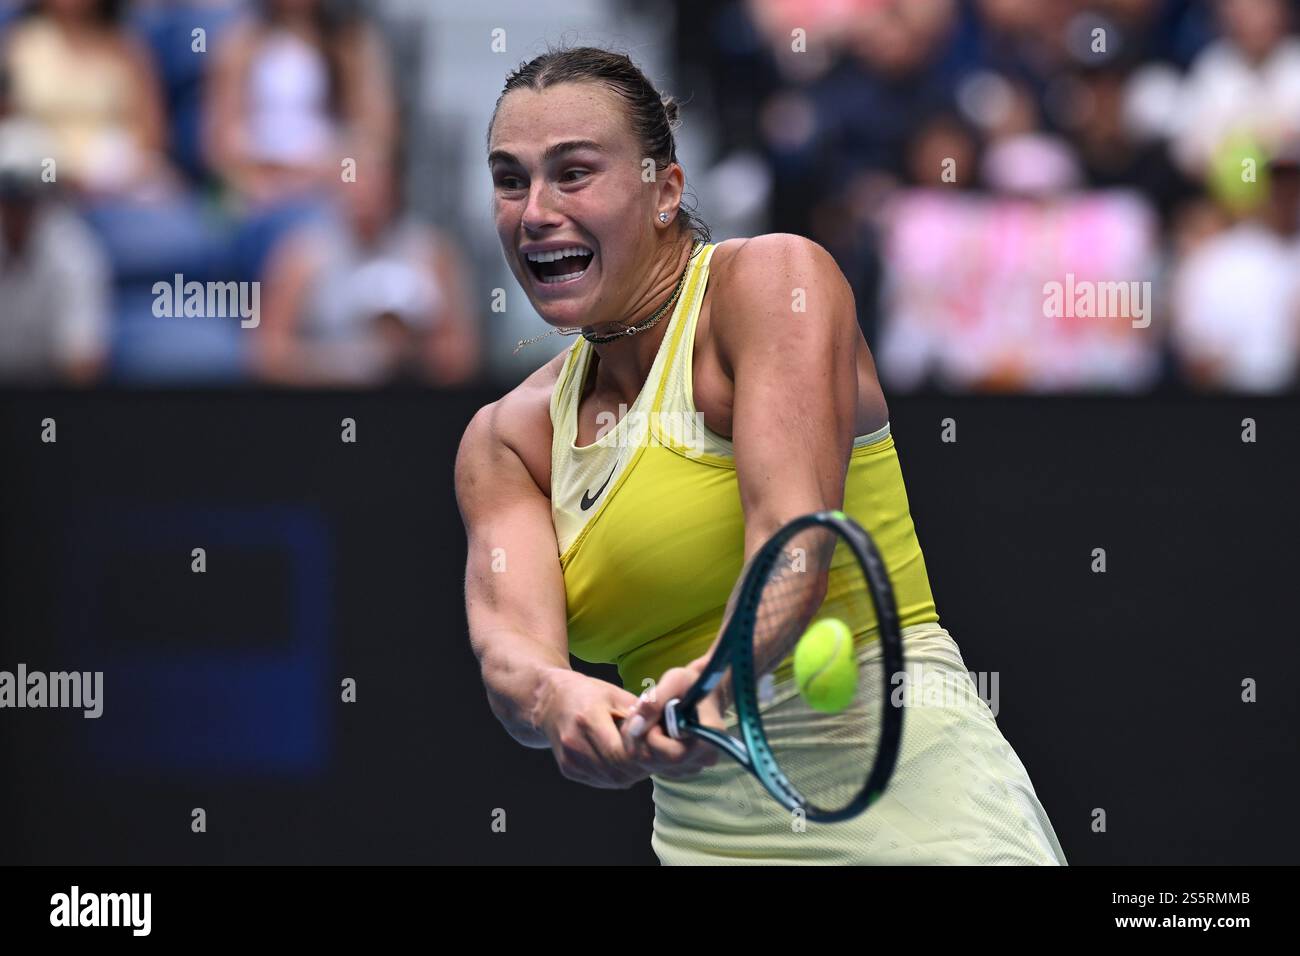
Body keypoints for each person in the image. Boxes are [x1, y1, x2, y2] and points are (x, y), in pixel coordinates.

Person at [455, 46, 1066, 864]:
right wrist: (557, 696)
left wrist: (723, 679)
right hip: (707, 843)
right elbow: (511, 651)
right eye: (510, 179)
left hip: (924, 811)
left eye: (573, 173)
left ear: (665, 190)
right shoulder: (505, 441)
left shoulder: (773, 283)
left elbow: (795, 542)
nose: (534, 210)